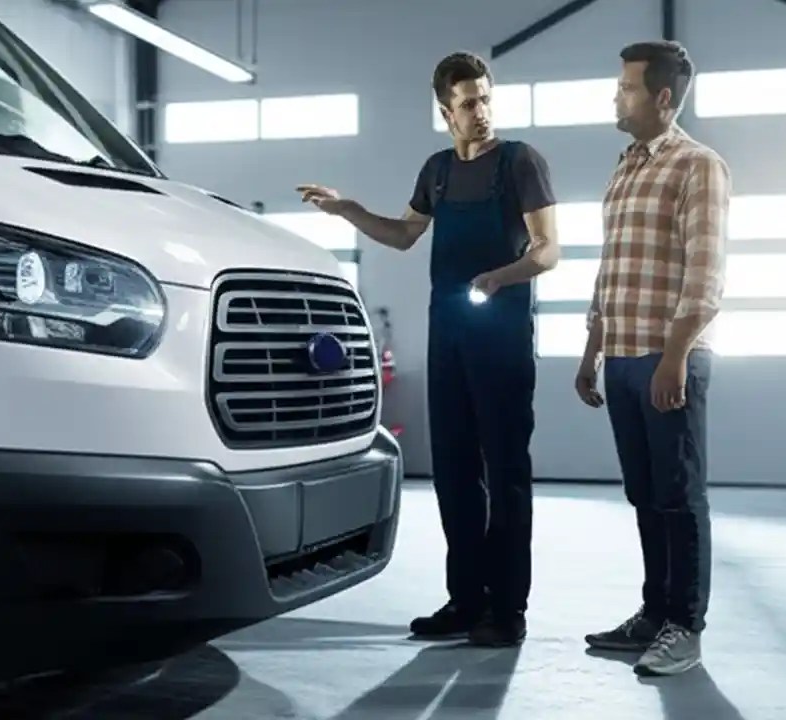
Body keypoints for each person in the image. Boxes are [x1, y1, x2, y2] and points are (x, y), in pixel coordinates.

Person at [297, 51, 559, 647]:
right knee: (455, 474)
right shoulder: (437, 170)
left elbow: (548, 250)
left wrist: (499, 277)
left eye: (486, 99)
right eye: (468, 104)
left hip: (502, 342)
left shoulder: (521, 163)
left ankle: (507, 610)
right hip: (449, 340)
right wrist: (349, 211)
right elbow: (403, 234)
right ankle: (465, 601)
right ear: (446, 111)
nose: (481, 112)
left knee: (507, 474)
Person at [576, 40, 729, 676]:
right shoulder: (625, 166)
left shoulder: (699, 166)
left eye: (628, 87)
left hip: (671, 358)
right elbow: (611, 268)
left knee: (679, 494)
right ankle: (653, 612)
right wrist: (592, 350)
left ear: (663, 97)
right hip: (623, 357)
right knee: (644, 493)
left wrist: (675, 355)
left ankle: (684, 627)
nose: (617, 96)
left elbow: (704, 273)